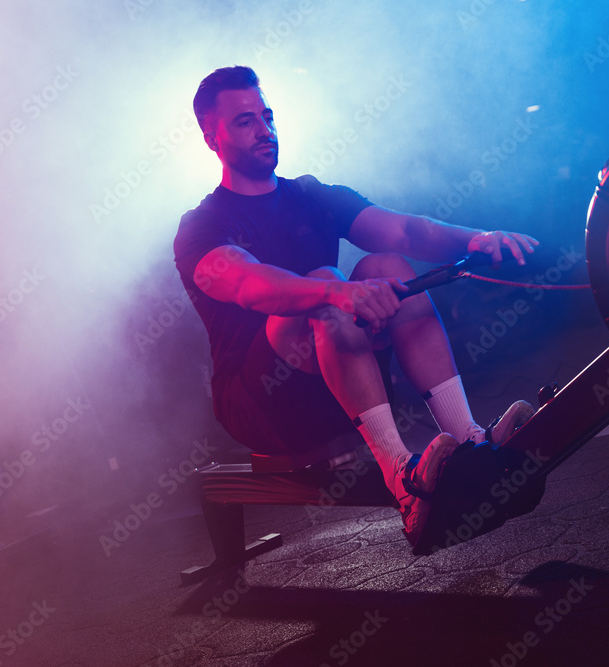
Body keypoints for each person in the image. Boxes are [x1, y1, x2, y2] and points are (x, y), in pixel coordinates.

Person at [173, 65, 538, 545]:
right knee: (326, 282)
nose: (265, 130)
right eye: (245, 121)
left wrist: (480, 238)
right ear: (210, 138)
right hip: (262, 403)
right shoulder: (201, 225)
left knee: (388, 263)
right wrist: (335, 292)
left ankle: (468, 436)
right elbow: (251, 285)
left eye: (267, 116)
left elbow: (406, 231)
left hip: (342, 379)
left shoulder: (310, 194)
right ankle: (401, 481)